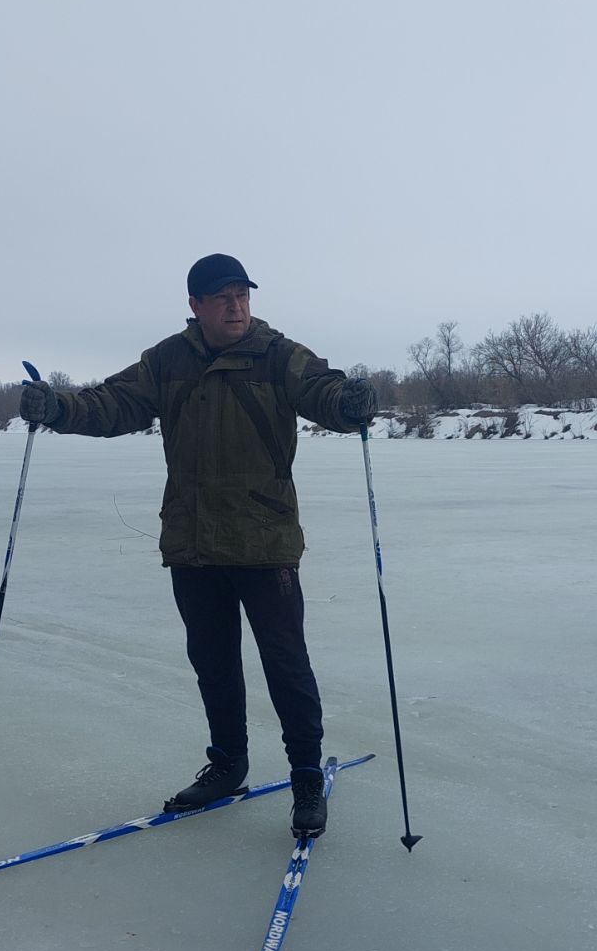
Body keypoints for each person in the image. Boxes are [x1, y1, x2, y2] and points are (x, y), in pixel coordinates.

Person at [19, 254, 377, 837]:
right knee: (212, 662)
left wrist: (350, 404)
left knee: (286, 664)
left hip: (264, 541)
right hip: (193, 542)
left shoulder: (279, 355)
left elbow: (322, 391)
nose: (236, 307)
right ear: (196, 306)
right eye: (222, 298)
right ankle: (228, 764)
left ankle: (306, 775)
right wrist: (57, 407)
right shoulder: (167, 361)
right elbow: (113, 404)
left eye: (243, 296)